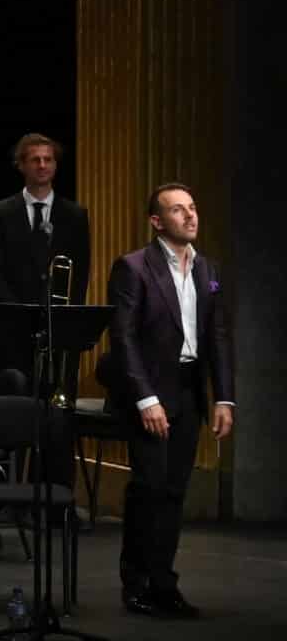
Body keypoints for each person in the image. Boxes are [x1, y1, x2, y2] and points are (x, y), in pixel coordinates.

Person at [104, 182, 233, 618]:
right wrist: (146, 399)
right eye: (179, 210)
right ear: (157, 221)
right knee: (149, 489)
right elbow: (122, 338)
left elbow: (216, 337)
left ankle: (164, 582)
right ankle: (136, 584)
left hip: (189, 391)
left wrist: (224, 399)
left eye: (193, 208)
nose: (190, 216)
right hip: (151, 392)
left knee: (174, 492)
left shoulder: (207, 269)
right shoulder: (134, 267)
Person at [0, 133, 92, 381]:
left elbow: (81, 273)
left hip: (59, 326)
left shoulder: (75, 214)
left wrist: (66, 316)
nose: (42, 165)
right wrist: (21, 317)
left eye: (48, 159)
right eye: (35, 160)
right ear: (21, 165)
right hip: (15, 326)